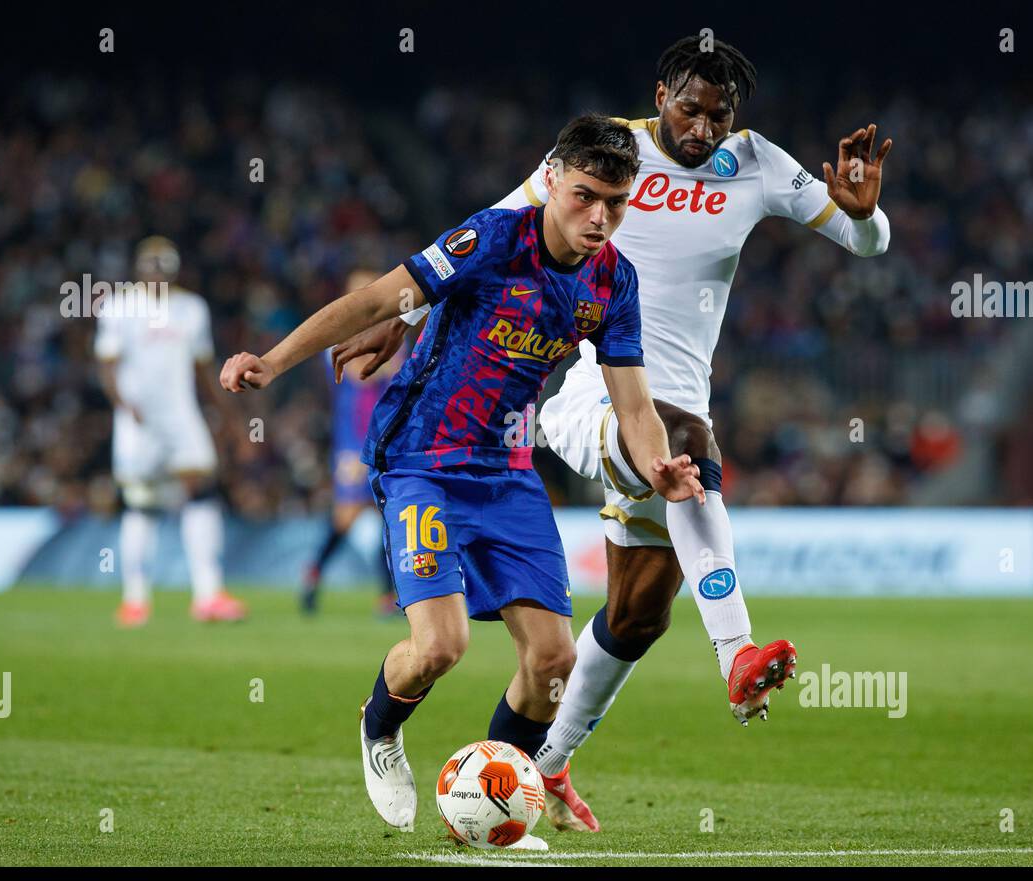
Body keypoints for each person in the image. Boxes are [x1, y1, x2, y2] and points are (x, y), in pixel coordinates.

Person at [333, 36, 893, 831]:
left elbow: (868, 243)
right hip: (593, 398)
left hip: (673, 415)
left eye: (719, 115)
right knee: (687, 444)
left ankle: (545, 766)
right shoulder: (609, 155)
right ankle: (737, 652)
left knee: (637, 616)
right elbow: (500, 228)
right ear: (661, 94)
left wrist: (866, 216)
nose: (702, 127)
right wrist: (407, 310)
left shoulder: (758, 164)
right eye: (690, 108)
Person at [219, 115, 703, 845]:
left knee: (554, 660)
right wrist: (274, 359)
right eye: (585, 196)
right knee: (440, 648)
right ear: (552, 183)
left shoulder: (614, 282)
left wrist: (655, 466)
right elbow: (378, 300)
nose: (600, 217)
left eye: (616, 203)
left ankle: (490, 806)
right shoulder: (494, 239)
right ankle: (380, 726)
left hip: (508, 475)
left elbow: (634, 406)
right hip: (423, 462)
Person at [95, 236, 247, 627]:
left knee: (202, 491)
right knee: (141, 502)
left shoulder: (192, 309)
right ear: (138, 268)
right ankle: (135, 599)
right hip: (140, 420)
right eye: (152, 265)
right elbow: (107, 364)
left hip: (181, 415)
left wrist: (229, 417)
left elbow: (202, 368)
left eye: (165, 265)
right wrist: (124, 405)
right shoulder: (120, 306)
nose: (158, 272)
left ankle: (208, 594)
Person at [300, 268, 403, 616]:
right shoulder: (337, 336)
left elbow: (397, 374)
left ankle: (386, 595)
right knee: (346, 516)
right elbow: (360, 376)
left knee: (387, 515)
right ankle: (313, 573)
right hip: (352, 442)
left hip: (386, 438)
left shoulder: (393, 332)